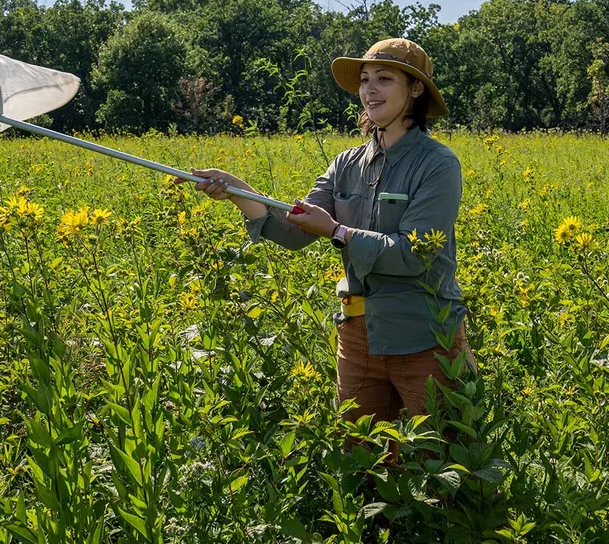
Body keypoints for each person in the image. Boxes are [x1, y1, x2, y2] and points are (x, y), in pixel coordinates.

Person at [180, 38, 474, 430]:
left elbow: (413, 254)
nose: (369, 90)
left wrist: (338, 232)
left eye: (384, 79)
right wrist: (239, 190)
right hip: (357, 339)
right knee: (362, 453)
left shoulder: (437, 165)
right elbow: (296, 229)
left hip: (425, 337)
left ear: (416, 89)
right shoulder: (346, 163)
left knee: (441, 453)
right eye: (365, 80)